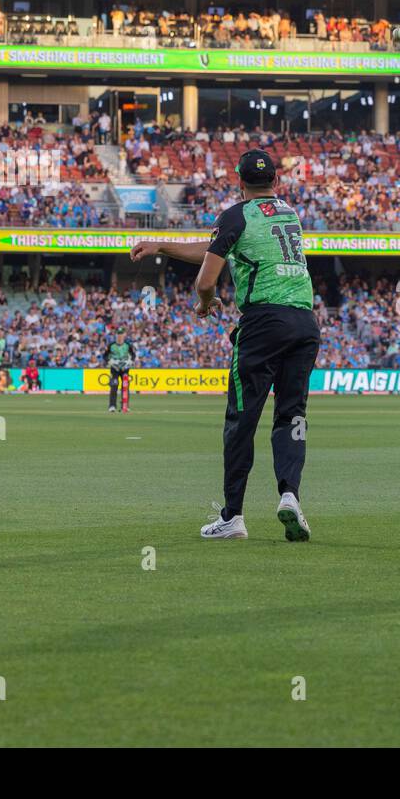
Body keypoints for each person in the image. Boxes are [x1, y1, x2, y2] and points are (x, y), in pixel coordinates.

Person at [130, 149, 320, 543]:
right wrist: (162, 247)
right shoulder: (289, 215)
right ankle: (290, 495)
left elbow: (205, 279)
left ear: (239, 180)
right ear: (275, 180)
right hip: (304, 323)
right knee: (291, 415)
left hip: (263, 323)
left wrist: (205, 303)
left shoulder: (234, 215)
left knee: (241, 420)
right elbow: (220, 245)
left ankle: (233, 516)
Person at [104, 329, 136, 413]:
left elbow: (133, 355)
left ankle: (125, 405)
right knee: (114, 386)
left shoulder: (127, 345)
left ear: (124, 335)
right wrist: (109, 361)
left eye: (121, 334)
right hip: (115, 368)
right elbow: (105, 355)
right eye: (118, 334)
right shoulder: (111, 345)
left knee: (125, 387)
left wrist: (130, 361)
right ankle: (112, 406)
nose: (120, 336)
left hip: (125, 368)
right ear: (116, 335)